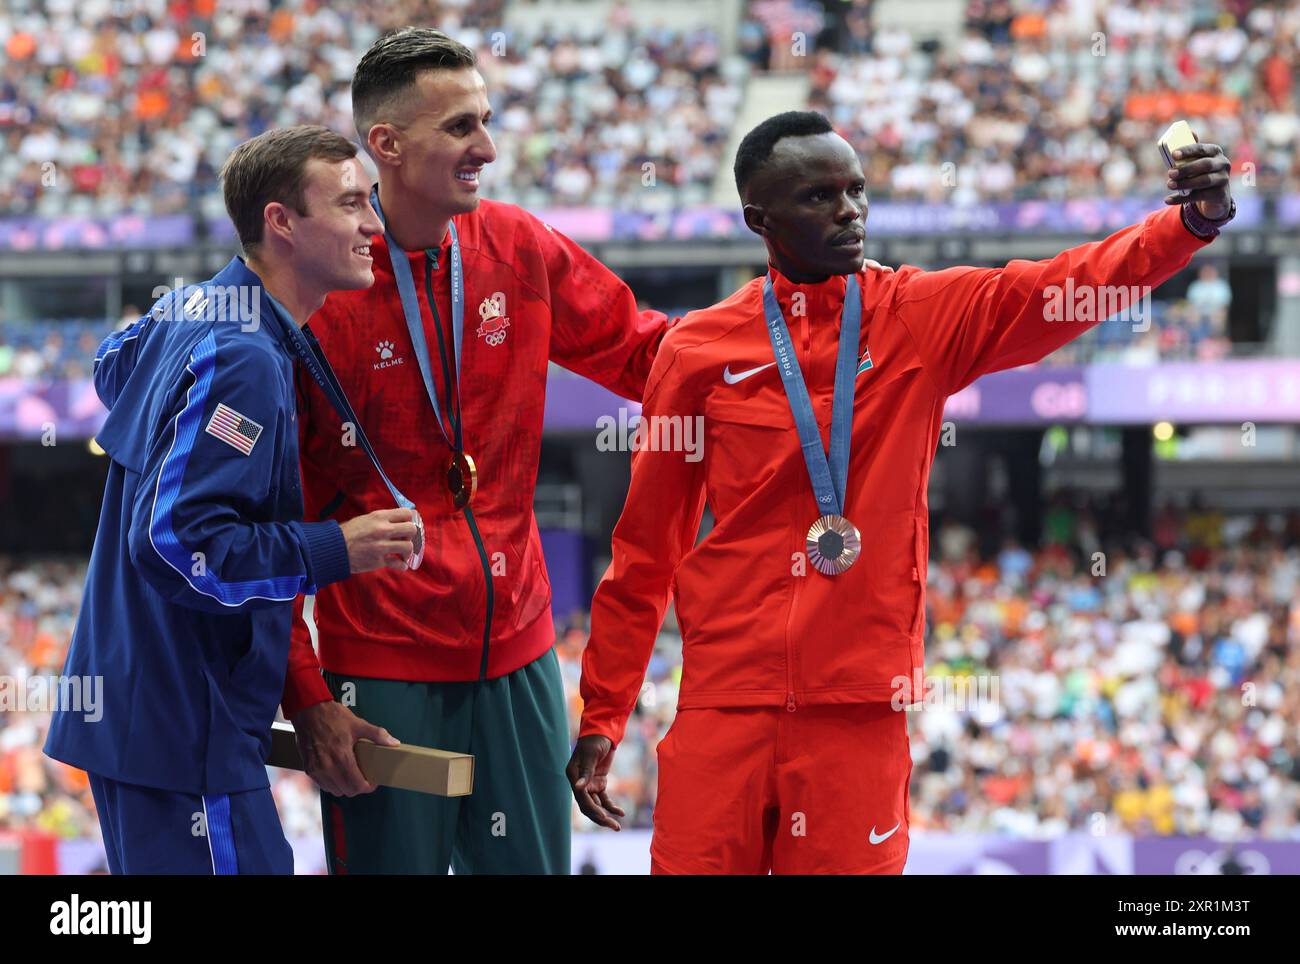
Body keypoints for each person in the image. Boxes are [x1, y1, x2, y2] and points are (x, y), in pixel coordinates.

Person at [568, 110, 1234, 874]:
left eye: (855, 191)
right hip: (725, 704)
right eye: (819, 197)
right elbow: (646, 546)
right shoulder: (695, 350)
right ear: (760, 218)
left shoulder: (919, 316)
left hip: (859, 712)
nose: (849, 211)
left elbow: (1066, 285)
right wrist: (605, 712)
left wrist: (1189, 223)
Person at [280, 28, 670, 875]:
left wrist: (787, 357)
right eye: (460, 128)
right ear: (385, 144)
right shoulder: (322, 290)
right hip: (381, 669)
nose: (487, 149)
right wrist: (309, 699)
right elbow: (269, 531)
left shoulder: (518, 245)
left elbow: (649, 356)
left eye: (486, 122)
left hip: (521, 653)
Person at [44, 125, 419, 874]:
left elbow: (112, 365)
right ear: (281, 222)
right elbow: (175, 543)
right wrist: (333, 549)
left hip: (157, 722)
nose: (374, 224)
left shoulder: (198, 310)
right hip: (183, 731)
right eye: (350, 204)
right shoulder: (244, 355)